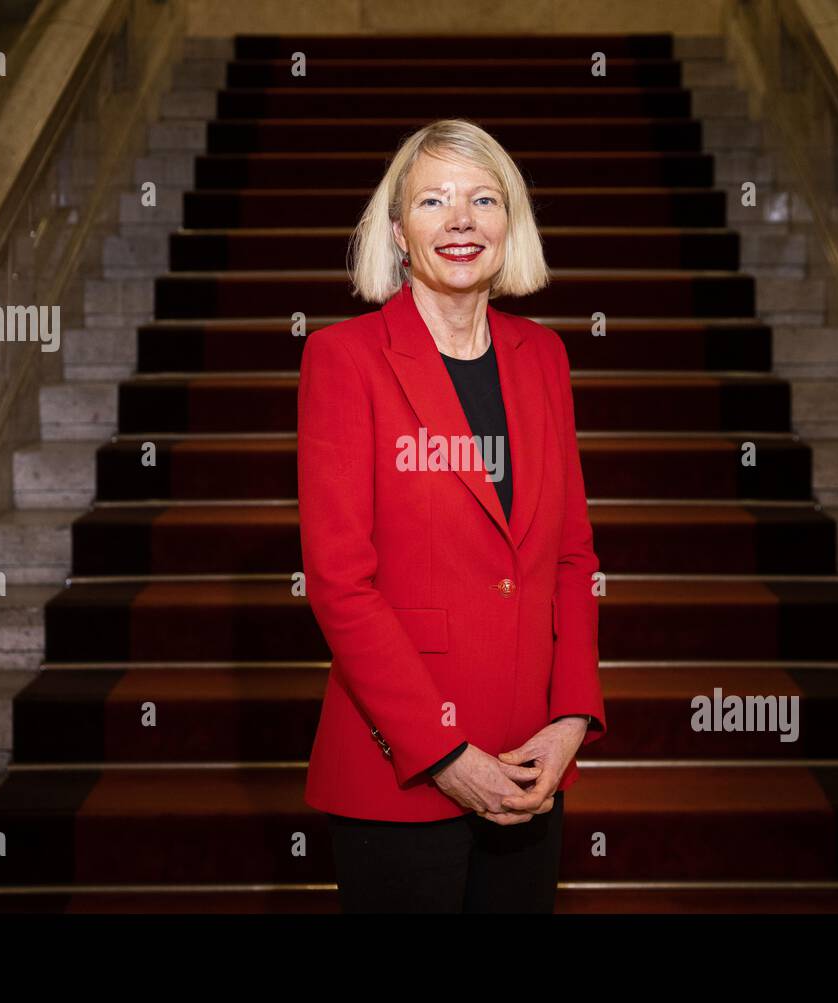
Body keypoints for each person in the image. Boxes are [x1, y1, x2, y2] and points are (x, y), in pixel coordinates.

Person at [296, 118, 605, 913]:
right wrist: (443, 753)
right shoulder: (343, 359)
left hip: (530, 766)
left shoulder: (545, 357)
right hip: (398, 772)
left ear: (511, 223)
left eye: (482, 198)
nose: (461, 219)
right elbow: (339, 583)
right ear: (400, 232)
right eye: (433, 200)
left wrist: (570, 717)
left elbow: (572, 557)